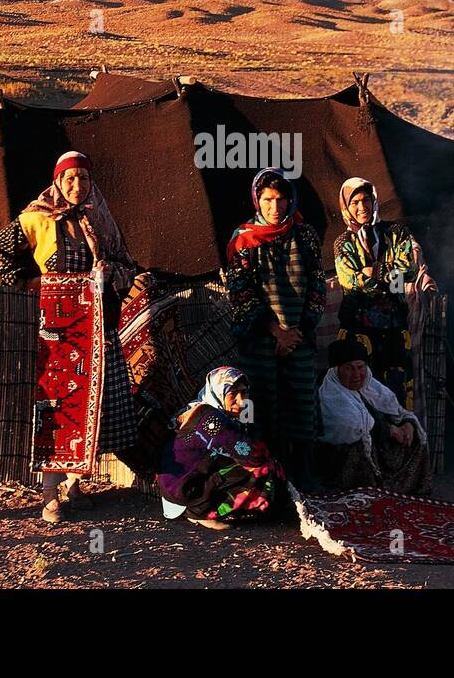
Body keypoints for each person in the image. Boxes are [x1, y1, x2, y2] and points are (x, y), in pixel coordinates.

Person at [0, 150, 140, 523]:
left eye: (83, 179)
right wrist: (31, 281)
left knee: (91, 404)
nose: (77, 186)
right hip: (57, 330)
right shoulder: (36, 218)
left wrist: (110, 274)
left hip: (96, 324)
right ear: (58, 181)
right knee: (57, 406)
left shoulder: (101, 218)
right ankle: (49, 493)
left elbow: (127, 265)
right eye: (69, 179)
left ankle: (75, 484)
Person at [224, 167, 327, 492]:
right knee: (261, 406)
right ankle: (267, 479)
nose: (275, 206)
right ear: (258, 199)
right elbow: (241, 292)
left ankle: (305, 473)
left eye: (281, 199)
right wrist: (275, 331)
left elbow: (316, 283)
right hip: (259, 339)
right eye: (268, 199)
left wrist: (297, 330)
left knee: (302, 402)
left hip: (298, 336)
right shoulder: (243, 240)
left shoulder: (304, 235)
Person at [332, 176, 434, 409]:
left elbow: (408, 271)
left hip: (395, 326)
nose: (362, 207)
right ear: (346, 207)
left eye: (366, 200)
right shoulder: (342, 243)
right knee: (361, 392)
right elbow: (352, 284)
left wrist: (373, 271)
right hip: (357, 329)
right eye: (355, 202)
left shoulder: (396, 232)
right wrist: (388, 276)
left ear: (374, 200)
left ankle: (401, 440)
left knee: (397, 392)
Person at [157, 366, 286, 530]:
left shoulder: (203, 409)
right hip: (186, 490)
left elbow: (246, 440)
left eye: (244, 393)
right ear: (218, 392)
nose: (241, 401)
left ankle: (202, 508)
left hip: (182, 485)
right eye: (232, 393)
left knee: (261, 463)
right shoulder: (211, 419)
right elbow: (251, 454)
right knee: (265, 470)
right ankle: (200, 513)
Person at [316, 337, 431, 494]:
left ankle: (411, 491)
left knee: (415, 434)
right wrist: (390, 430)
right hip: (344, 458)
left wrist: (407, 423)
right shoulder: (331, 394)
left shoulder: (371, 387)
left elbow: (396, 410)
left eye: (360, 367)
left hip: (381, 445)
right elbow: (352, 426)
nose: (357, 374)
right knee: (359, 445)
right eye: (349, 368)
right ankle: (366, 492)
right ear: (337, 371)